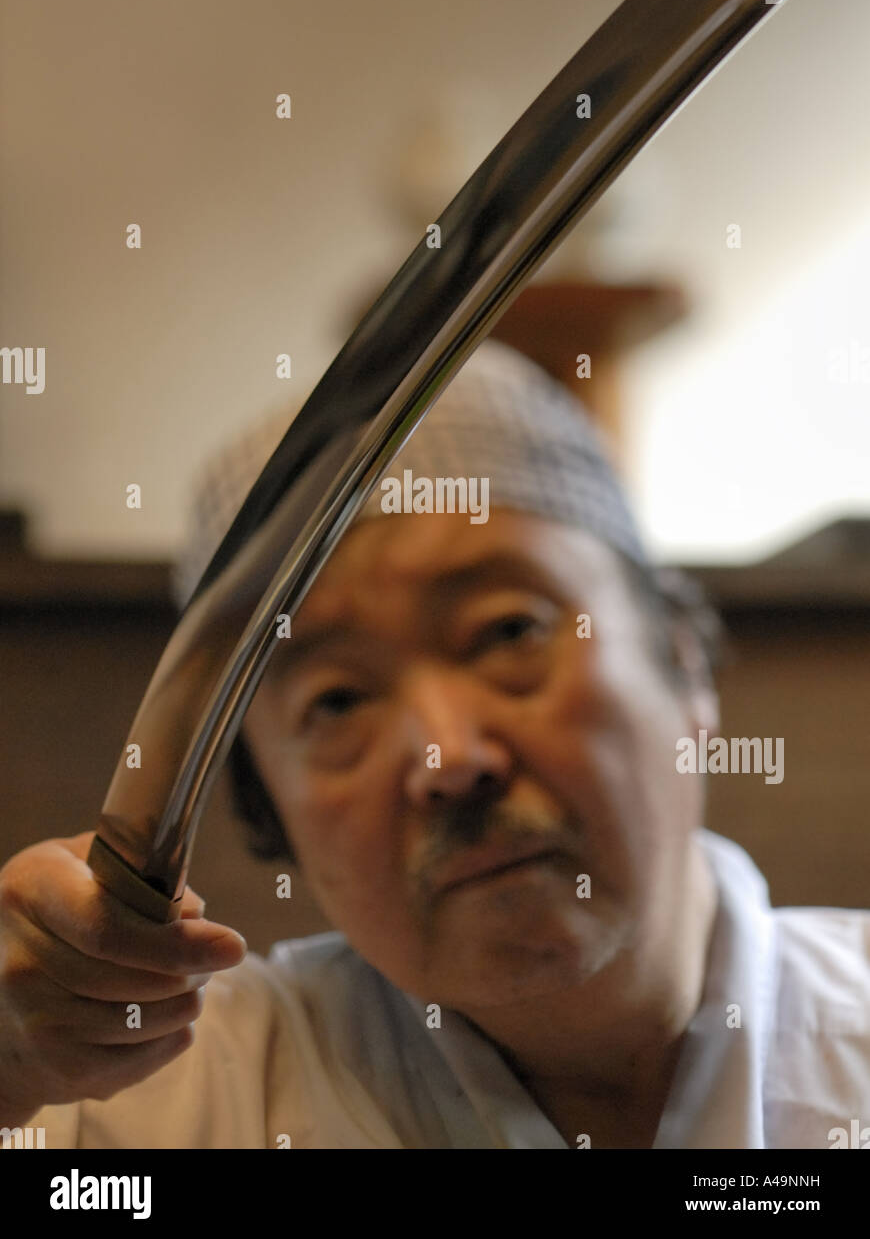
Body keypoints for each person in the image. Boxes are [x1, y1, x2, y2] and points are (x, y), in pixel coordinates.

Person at [1, 341, 868, 1149]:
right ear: (272, 812)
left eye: (507, 632)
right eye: (337, 700)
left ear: (682, 663)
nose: (448, 760)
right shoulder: (162, 1106)